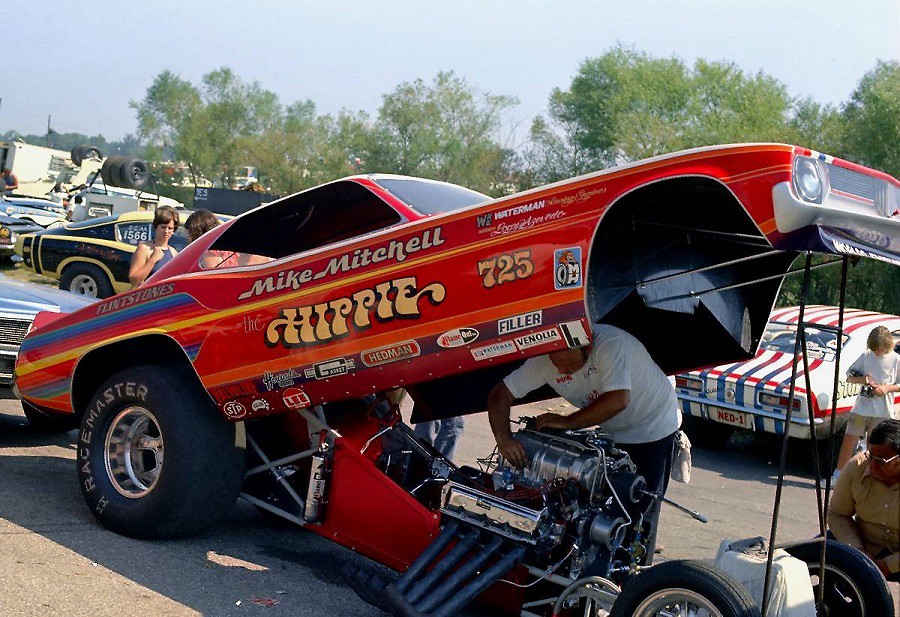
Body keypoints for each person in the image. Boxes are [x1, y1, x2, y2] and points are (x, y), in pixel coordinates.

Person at [487, 323, 681, 559]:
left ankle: (632, 578)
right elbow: (500, 394)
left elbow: (619, 399)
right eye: (557, 366)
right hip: (614, 431)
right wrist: (504, 438)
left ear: (588, 350)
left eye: (569, 366)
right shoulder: (546, 359)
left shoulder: (611, 345)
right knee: (599, 510)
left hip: (654, 426)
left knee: (637, 513)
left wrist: (568, 422)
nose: (563, 373)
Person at [828, 418, 900, 581]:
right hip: (865, 545)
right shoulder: (856, 468)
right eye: (870, 456)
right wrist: (857, 551)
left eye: (881, 461)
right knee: (825, 547)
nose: (872, 465)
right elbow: (837, 514)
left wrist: (890, 564)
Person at [835, 326, 900, 475]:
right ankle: (838, 475)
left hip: (882, 411)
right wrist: (862, 379)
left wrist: (885, 389)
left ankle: (870, 475)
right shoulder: (866, 356)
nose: (878, 352)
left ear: (889, 344)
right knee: (849, 440)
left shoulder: (896, 360)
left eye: (882, 349)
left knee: (875, 445)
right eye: (875, 349)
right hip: (861, 409)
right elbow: (850, 377)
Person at [128, 205, 180, 287]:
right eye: (163, 227)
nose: (166, 231)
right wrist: (152, 260)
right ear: (156, 227)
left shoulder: (173, 252)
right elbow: (133, 280)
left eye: (170, 228)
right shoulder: (144, 248)